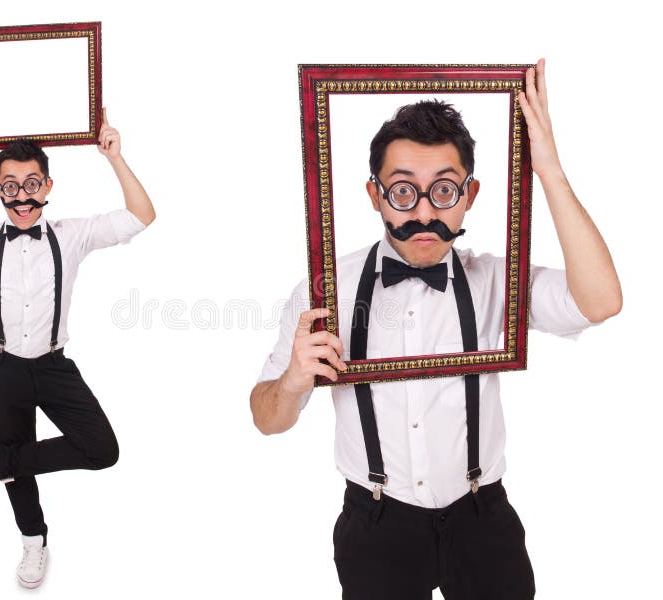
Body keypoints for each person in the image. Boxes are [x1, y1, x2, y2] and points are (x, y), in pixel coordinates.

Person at [250, 60, 622, 599]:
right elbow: (266, 419)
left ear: (469, 195)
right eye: (403, 192)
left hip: (483, 520)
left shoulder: (497, 280)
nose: (424, 213)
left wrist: (549, 172)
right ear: (375, 195)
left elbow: (602, 301)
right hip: (375, 528)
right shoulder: (325, 291)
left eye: (443, 191)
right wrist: (291, 383)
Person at [0, 97, 155, 589]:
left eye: (32, 185)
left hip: (54, 366)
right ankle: (33, 540)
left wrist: (115, 157)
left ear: (48, 187)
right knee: (22, 456)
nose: (22, 198)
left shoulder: (72, 235)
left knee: (101, 448)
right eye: (11, 187)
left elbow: (142, 216)